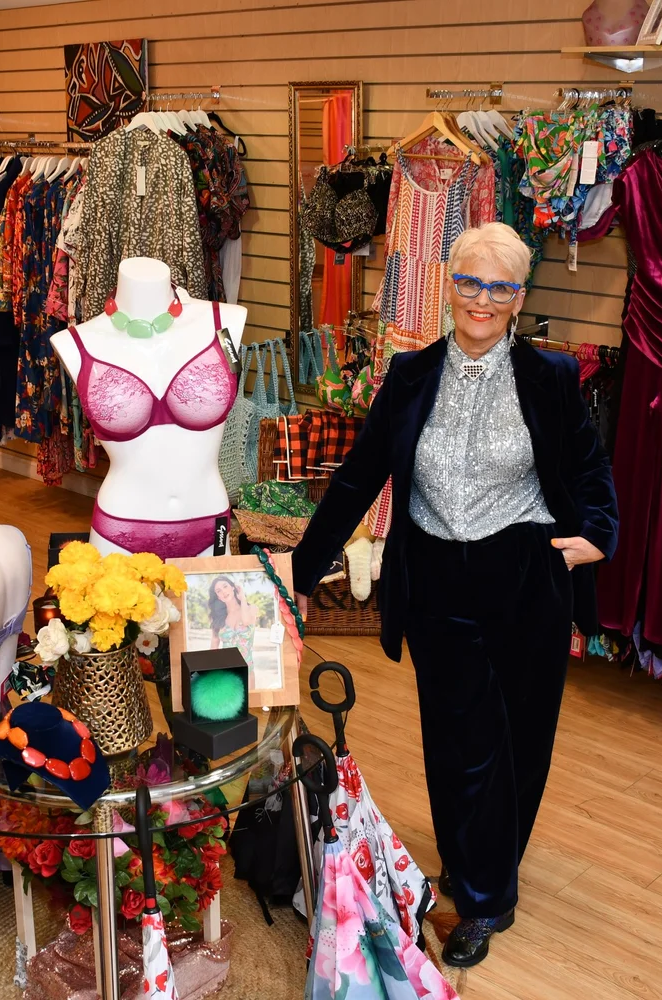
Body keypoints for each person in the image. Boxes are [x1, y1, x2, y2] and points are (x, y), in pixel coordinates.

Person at [291, 222, 618, 968]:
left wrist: (599, 531)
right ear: (449, 285)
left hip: (525, 577)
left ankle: (486, 892)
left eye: (500, 287)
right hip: (436, 581)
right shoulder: (409, 375)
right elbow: (358, 476)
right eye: (470, 281)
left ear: (519, 298)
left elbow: (592, 465)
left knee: (518, 741)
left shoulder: (552, 376)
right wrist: (301, 568)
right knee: (455, 743)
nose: (482, 299)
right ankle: (473, 877)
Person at [208, 575, 258, 663]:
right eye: (218, 591)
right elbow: (213, 648)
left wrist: (243, 598)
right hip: (226, 671)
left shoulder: (252, 609)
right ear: (218, 597)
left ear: (233, 587)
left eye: (225, 586)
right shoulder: (218, 618)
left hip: (247, 671)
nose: (223, 591)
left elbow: (246, 621)